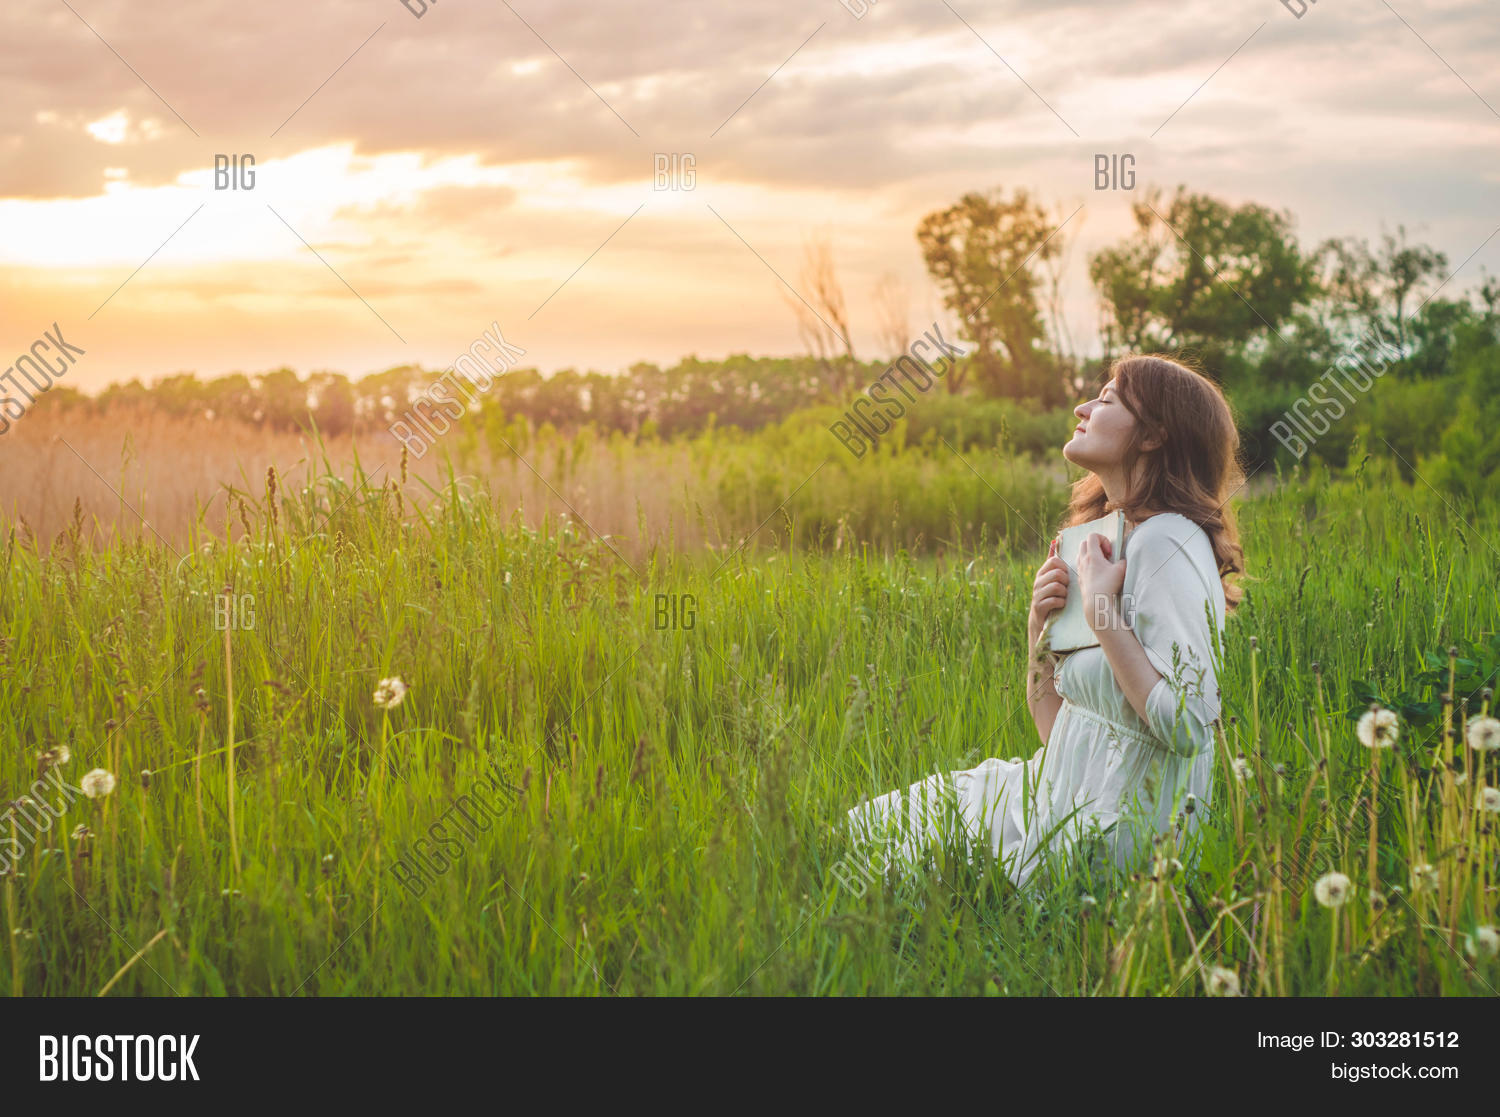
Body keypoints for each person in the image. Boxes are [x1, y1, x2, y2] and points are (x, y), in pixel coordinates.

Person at [846, 354, 1247, 898]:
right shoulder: (1110, 538)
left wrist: (1101, 611)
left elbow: (1187, 728)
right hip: (1060, 789)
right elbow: (1060, 733)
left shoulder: (1166, 540)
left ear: (1153, 435)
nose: (1083, 407)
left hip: (1125, 825)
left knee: (905, 874)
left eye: (1106, 400)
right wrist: (1038, 629)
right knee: (871, 828)